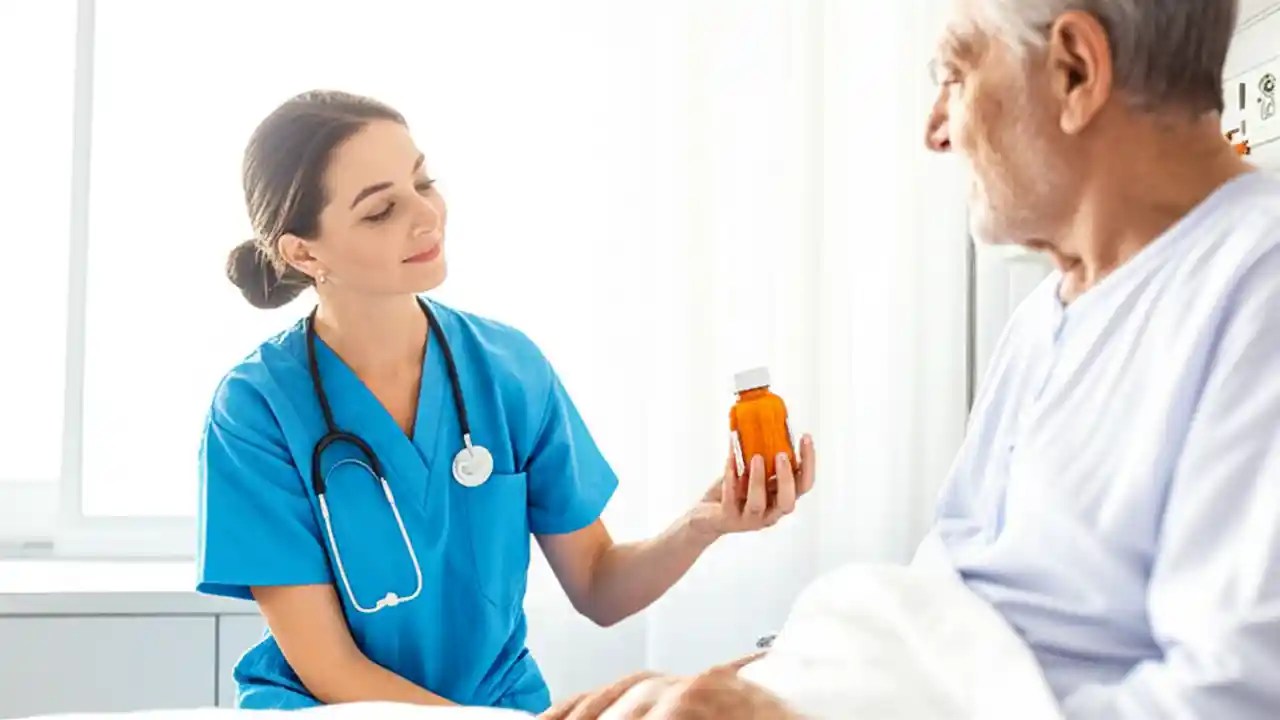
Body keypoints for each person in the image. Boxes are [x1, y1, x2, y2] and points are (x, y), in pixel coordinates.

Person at [544, 0, 1280, 717]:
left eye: (954, 76)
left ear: (1074, 72)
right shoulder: (1048, 316)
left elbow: (1234, 697)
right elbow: (954, 608)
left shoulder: (1256, 292)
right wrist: (757, 683)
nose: (935, 131)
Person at [194, 90, 817, 714]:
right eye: (381, 210)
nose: (426, 216)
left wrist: (704, 524)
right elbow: (331, 669)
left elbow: (598, 586)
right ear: (304, 252)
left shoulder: (506, 369)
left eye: (423, 182)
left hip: (498, 706)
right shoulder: (255, 409)